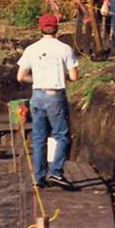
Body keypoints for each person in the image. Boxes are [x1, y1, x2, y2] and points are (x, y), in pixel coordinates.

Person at [16, 14, 80, 189]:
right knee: (62, 136)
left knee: (39, 138)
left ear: (40, 28)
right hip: (55, 95)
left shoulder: (31, 49)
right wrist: (61, 74)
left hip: (37, 95)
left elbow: (20, 76)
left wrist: (37, 79)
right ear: (57, 27)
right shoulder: (65, 49)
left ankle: (39, 177)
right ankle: (56, 172)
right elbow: (74, 76)